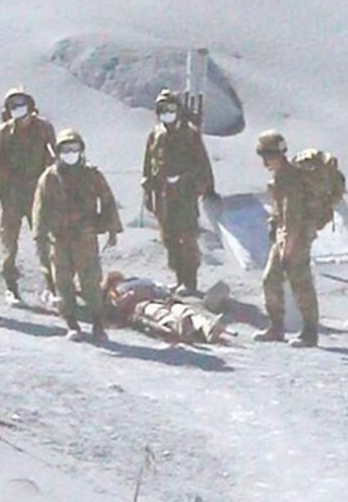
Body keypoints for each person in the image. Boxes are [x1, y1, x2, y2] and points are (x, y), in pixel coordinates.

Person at [32, 129, 123, 341]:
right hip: (60, 239)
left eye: (74, 149)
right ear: (57, 152)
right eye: (65, 149)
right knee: (63, 283)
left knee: (91, 282)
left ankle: (98, 325)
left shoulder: (92, 175)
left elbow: (107, 200)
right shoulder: (49, 178)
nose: (70, 153)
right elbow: (40, 208)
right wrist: (39, 235)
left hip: (86, 237)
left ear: (81, 150)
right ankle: (72, 324)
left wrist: (111, 228)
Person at [255, 130, 342, 345]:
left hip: (297, 236)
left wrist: (288, 247)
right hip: (286, 235)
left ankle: (309, 333)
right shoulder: (281, 177)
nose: (265, 162)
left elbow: (293, 216)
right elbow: (281, 213)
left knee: (300, 282)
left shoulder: (290, 179)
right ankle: (276, 327)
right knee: (271, 279)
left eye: (267, 156)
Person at [0, 88, 60, 304]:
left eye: (21, 102)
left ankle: (53, 286)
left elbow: (56, 156)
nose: (18, 107)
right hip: (10, 194)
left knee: (44, 240)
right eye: (13, 104)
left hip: (38, 192)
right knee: (9, 242)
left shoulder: (44, 128)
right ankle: (11, 288)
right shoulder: (3, 133)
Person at [140, 88, 215, 291]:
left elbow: (202, 163)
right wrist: (148, 188)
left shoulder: (190, 133)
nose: (168, 112)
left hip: (185, 194)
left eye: (171, 108)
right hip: (163, 194)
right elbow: (149, 163)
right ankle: (179, 277)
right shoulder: (155, 134)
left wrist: (202, 186)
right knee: (169, 237)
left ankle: (190, 281)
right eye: (163, 109)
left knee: (187, 236)